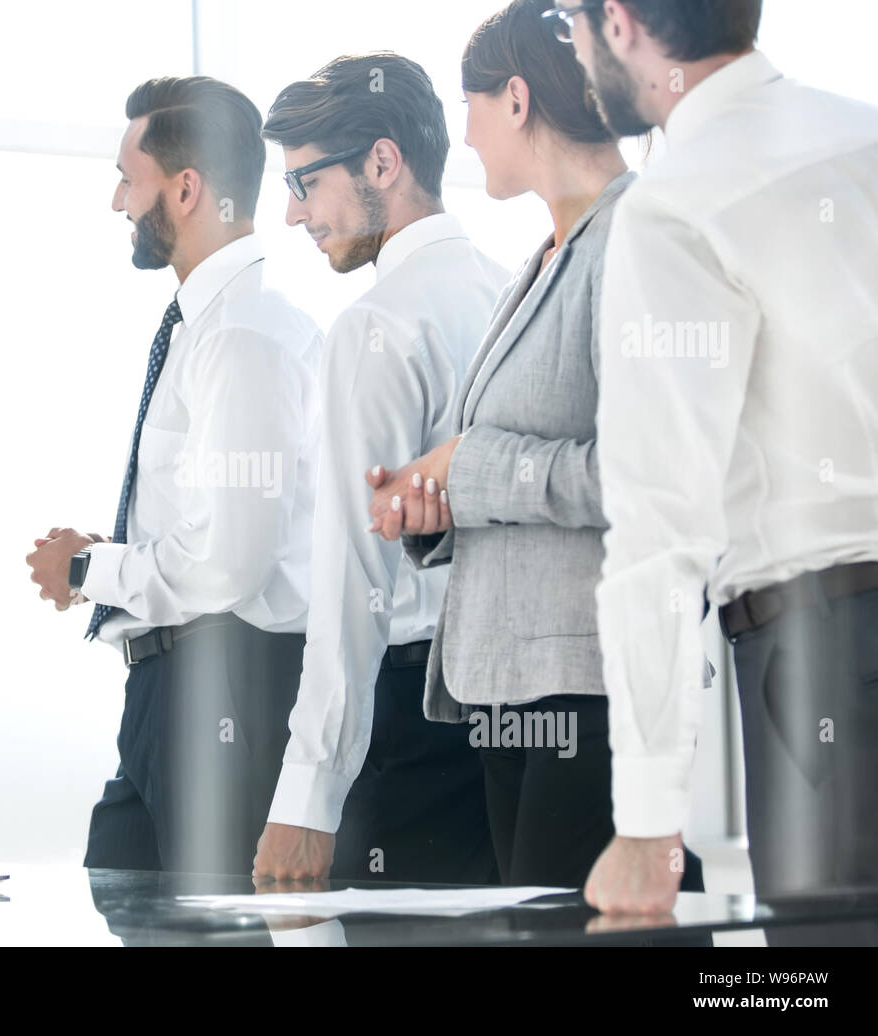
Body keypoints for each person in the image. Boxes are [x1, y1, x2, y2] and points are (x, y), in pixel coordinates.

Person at [365, 1, 705, 894]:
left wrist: (465, 468)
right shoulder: (545, 257)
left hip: (590, 693)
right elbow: (514, 456)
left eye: (471, 106)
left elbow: (645, 472)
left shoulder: (636, 237)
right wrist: (430, 504)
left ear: (516, 100)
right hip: (514, 695)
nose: (466, 137)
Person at [554, 0, 878, 925]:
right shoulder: (865, 135)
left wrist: (648, 823)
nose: (575, 44)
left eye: (573, 21)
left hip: (832, 668)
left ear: (618, 23)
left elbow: (661, 522)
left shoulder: (676, 203)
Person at [25, 77, 322, 876]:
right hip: (175, 689)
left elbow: (230, 562)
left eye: (130, 178)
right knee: (122, 889)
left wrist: (91, 568)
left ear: (187, 189)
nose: (117, 201)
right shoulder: (210, 329)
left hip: (225, 688)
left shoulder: (242, 337)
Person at [252, 52, 506, 884]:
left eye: (305, 184)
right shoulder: (513, 293)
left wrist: (305, 800)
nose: (294, 217)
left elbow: (354, 580)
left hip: (410, 728)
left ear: (383, 163)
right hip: (517, 722)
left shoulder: (375, 325)